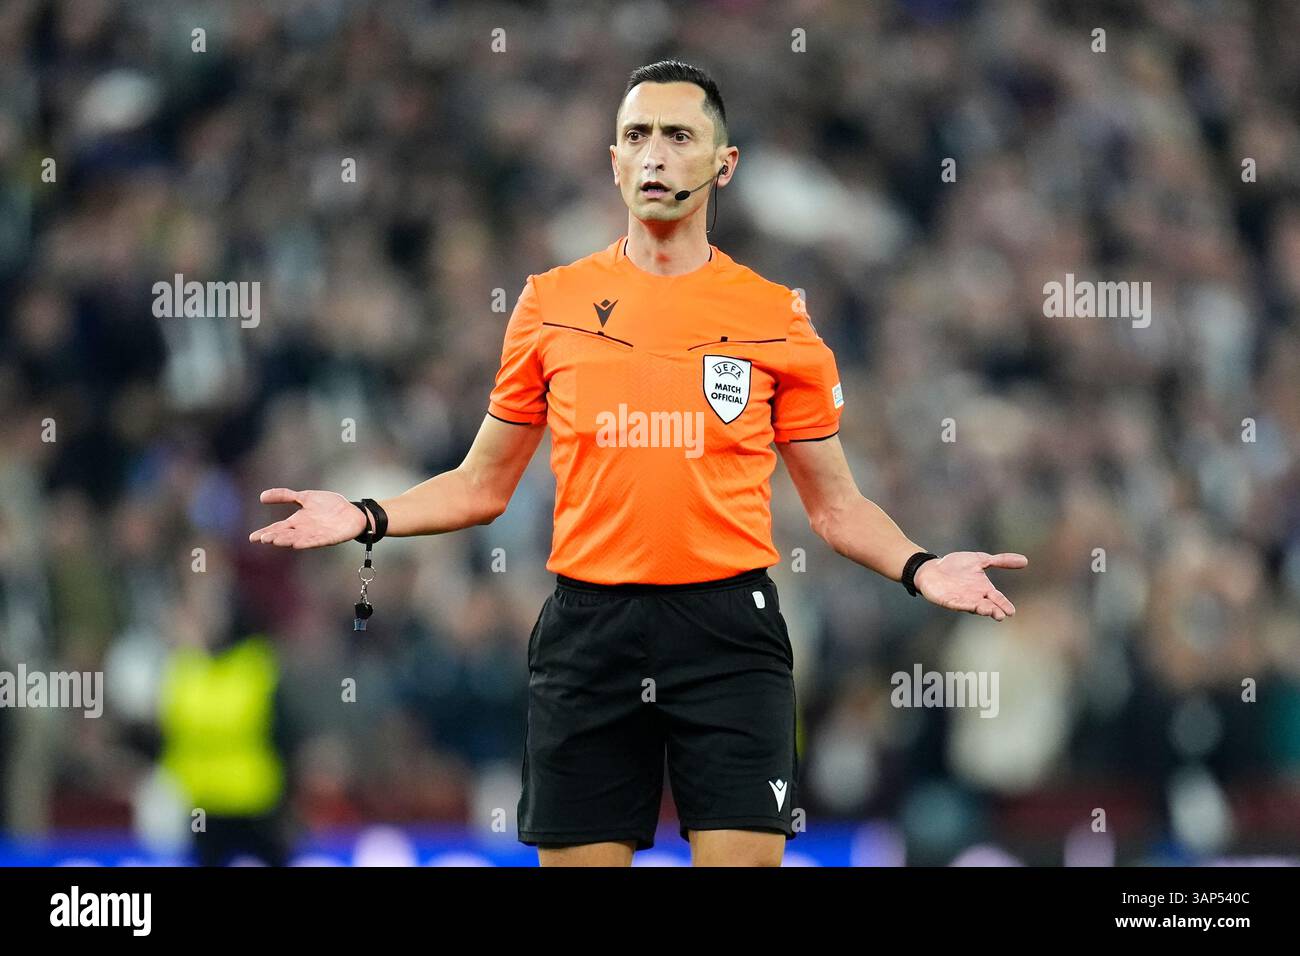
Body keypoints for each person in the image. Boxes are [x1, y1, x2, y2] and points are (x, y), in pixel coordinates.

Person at [248, 59, 1027, 867]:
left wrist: (920, 566)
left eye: (679, 135)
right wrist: (368, 515)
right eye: (636, 136)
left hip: (728, 634)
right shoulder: (549, 302)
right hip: (590, 633)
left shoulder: (775, 315)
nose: (654, 154)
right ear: (613, 160)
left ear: (723, 165)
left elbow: (835, 507)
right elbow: (481, 485)